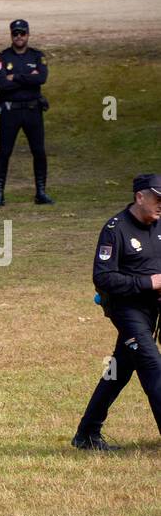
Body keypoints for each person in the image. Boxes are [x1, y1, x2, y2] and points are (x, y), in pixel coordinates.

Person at [72, 175, 161, 451]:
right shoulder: (115, 229)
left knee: (117, 371)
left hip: (155, 308)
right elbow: (103, 278)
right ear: (140, 197)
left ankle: (86, 434)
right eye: (157, 198)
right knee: (153, 367)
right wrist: (148, 282)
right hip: (127, 310)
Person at [0, 19, 53, 207]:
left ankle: (41, 192)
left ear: (28, 35)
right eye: (15, 33)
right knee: (4, 152)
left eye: (22, 33)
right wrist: (28, 78)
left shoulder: (37, 56)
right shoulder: (2, 57)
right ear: (11, 35)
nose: (19, 37)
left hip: (33, 110)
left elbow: (41, 78)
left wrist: (15, 77)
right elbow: (1, 84)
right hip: (10, 111)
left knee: (39, 151)